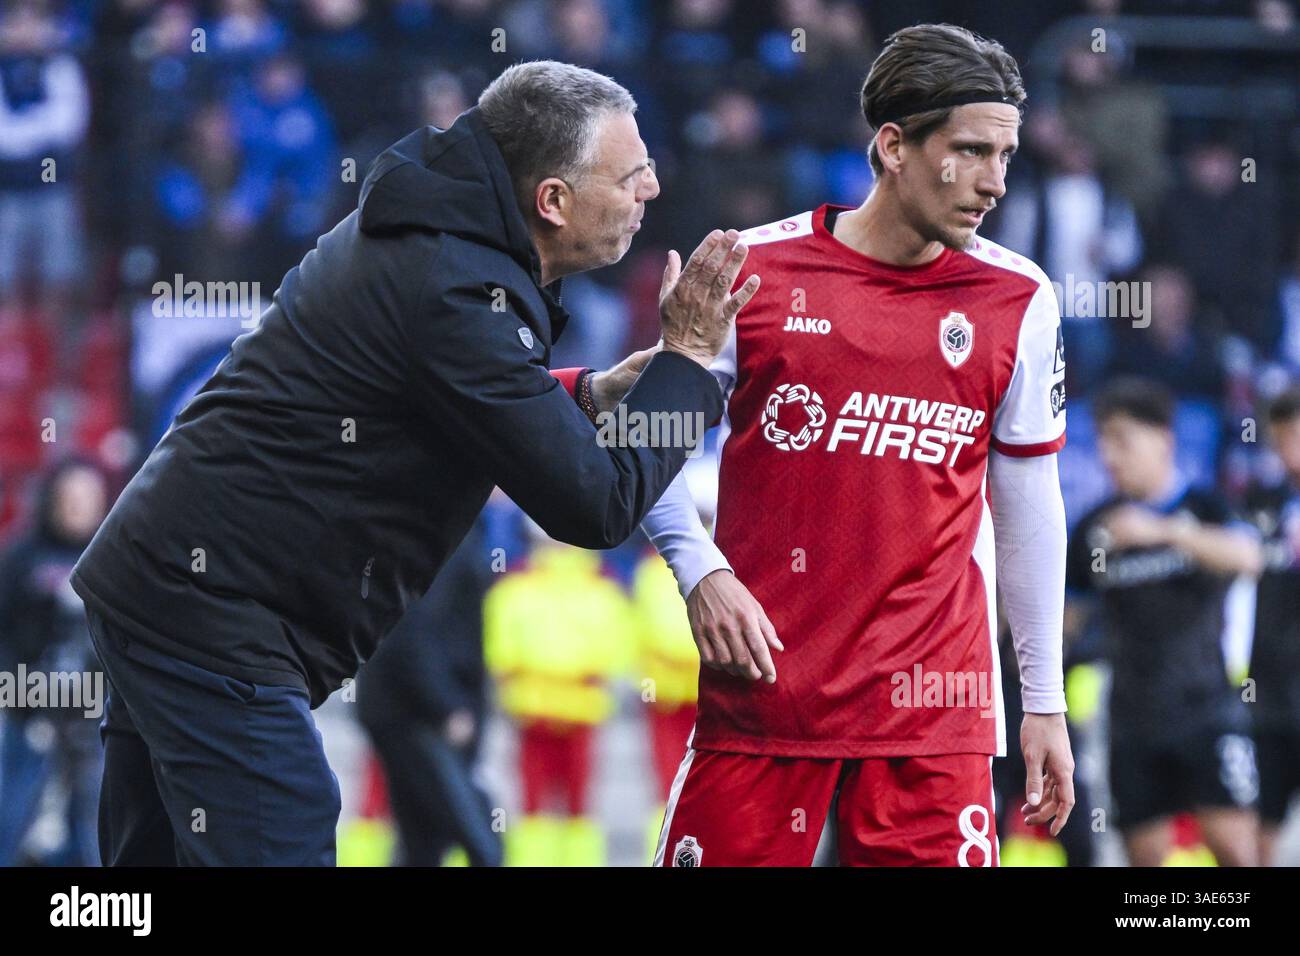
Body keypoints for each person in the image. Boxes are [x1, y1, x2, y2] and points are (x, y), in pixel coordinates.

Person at [71, 60, 758, 866]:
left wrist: (592, 393)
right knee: (278, 835)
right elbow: (594, 504)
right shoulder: (458, 286)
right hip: (215, 610)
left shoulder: (441, 239)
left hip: (165, 585)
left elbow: (450, 401)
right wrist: (686, 361)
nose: (651, 189)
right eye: (632, 173)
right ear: (553, 202)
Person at [643, 23, 1074, 866]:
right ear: (893, 146)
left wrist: (1043, 701)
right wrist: (700, 573)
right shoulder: (750, 272)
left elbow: (1027, 505)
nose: (995, 183)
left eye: (1007, 156)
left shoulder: (1020, 297)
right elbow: (643, 437)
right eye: (973, 152)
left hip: (935, 712)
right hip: (765, 699)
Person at [1068, 378, 1262, 866]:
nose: (1111, 456)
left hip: (1206, 710)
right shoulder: (1096, 528)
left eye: (1123, 440)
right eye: (1103, 442)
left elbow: (1247, 556)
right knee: (1142, 862)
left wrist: (1165, 532)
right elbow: (1068, 615)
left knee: (1238, 851)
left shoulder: (1203, 506)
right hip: (1131, 720)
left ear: (1163, 440)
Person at [355, 519, 499, 867]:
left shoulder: (429, 531)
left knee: (421, 839)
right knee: (476, 835)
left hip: (407, 705)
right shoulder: (447, 541)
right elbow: (413, 633)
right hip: (419, 711)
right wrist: (445, 706)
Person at [0, 459, 108, 866]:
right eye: (71, 497)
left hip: (94, 715)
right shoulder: (20, 555)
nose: (78, 507)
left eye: (88, 499)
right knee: (14, 814)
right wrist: (18, 690)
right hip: (29, 711)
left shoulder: (111, 556)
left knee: (93, 827)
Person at [1244, 385, 1300, 865]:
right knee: (1262, 830)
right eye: (1280, 439)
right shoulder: (1261, 502)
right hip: (1271, 698)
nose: (1288, 451)